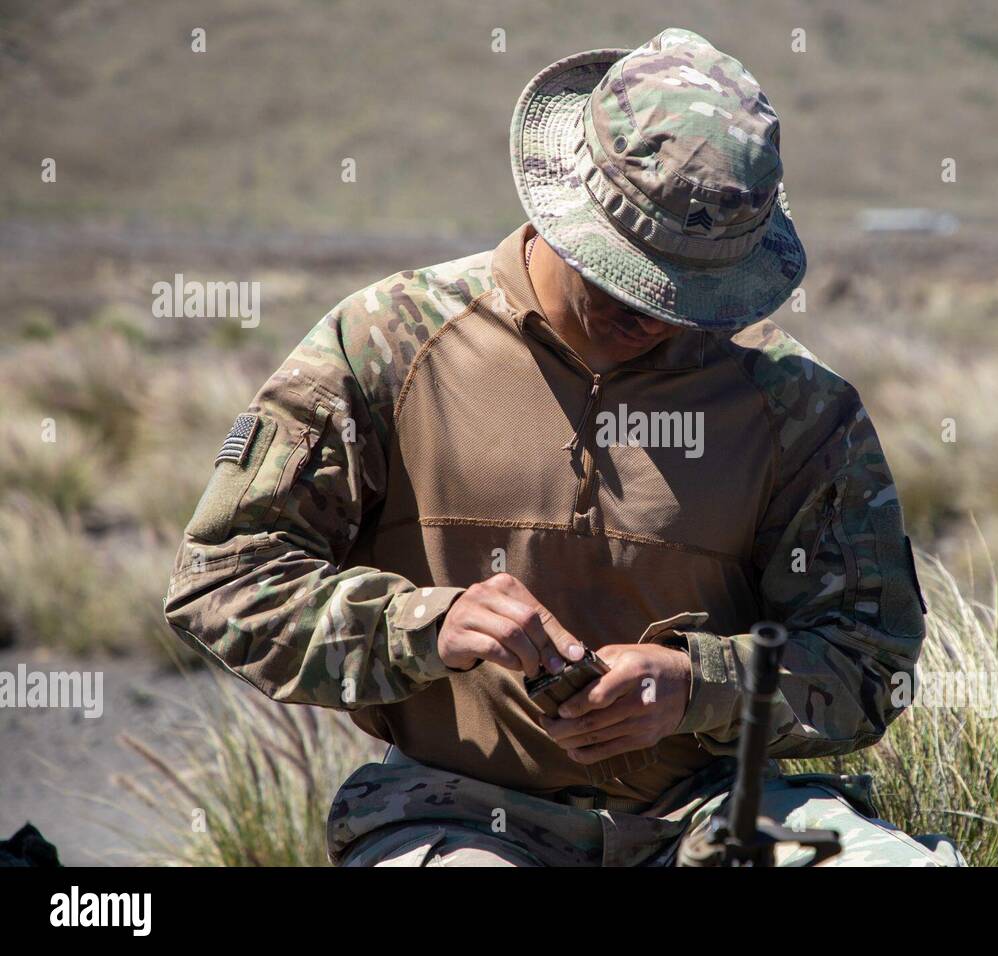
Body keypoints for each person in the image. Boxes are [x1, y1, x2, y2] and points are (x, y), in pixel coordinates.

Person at [165, 27, 955, 867]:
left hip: (723, 814)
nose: (651, 310)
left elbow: (870, 665)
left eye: (691, 290)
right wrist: (425, 626)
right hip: (458, 813)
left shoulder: (796, 405)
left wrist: (697, 686)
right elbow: (225, 581)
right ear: (567, 203)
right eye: (627, 271)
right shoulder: (385, 343)